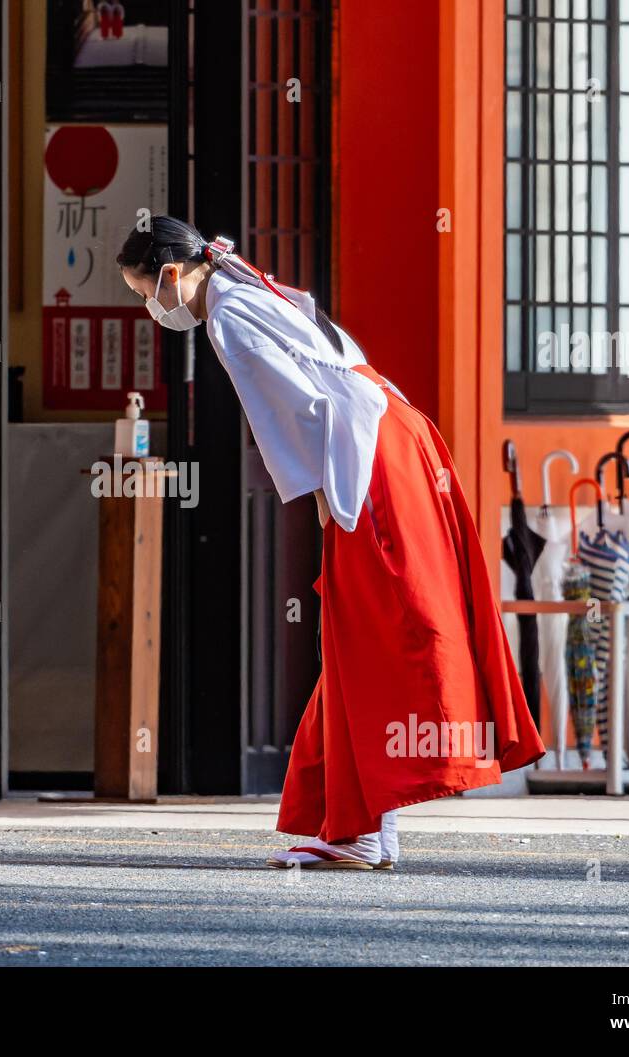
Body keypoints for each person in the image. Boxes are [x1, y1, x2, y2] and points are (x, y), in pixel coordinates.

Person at [118, 216, 546, 870]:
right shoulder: (248, 287)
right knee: (362, 635)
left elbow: (305, 409)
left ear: (172, 275)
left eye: (148, 293)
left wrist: (327, 501)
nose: (153, 310)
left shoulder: (230, 314)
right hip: (394, 435)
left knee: (371, 629)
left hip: (363, 455)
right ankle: (364, 823)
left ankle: (360, 827)